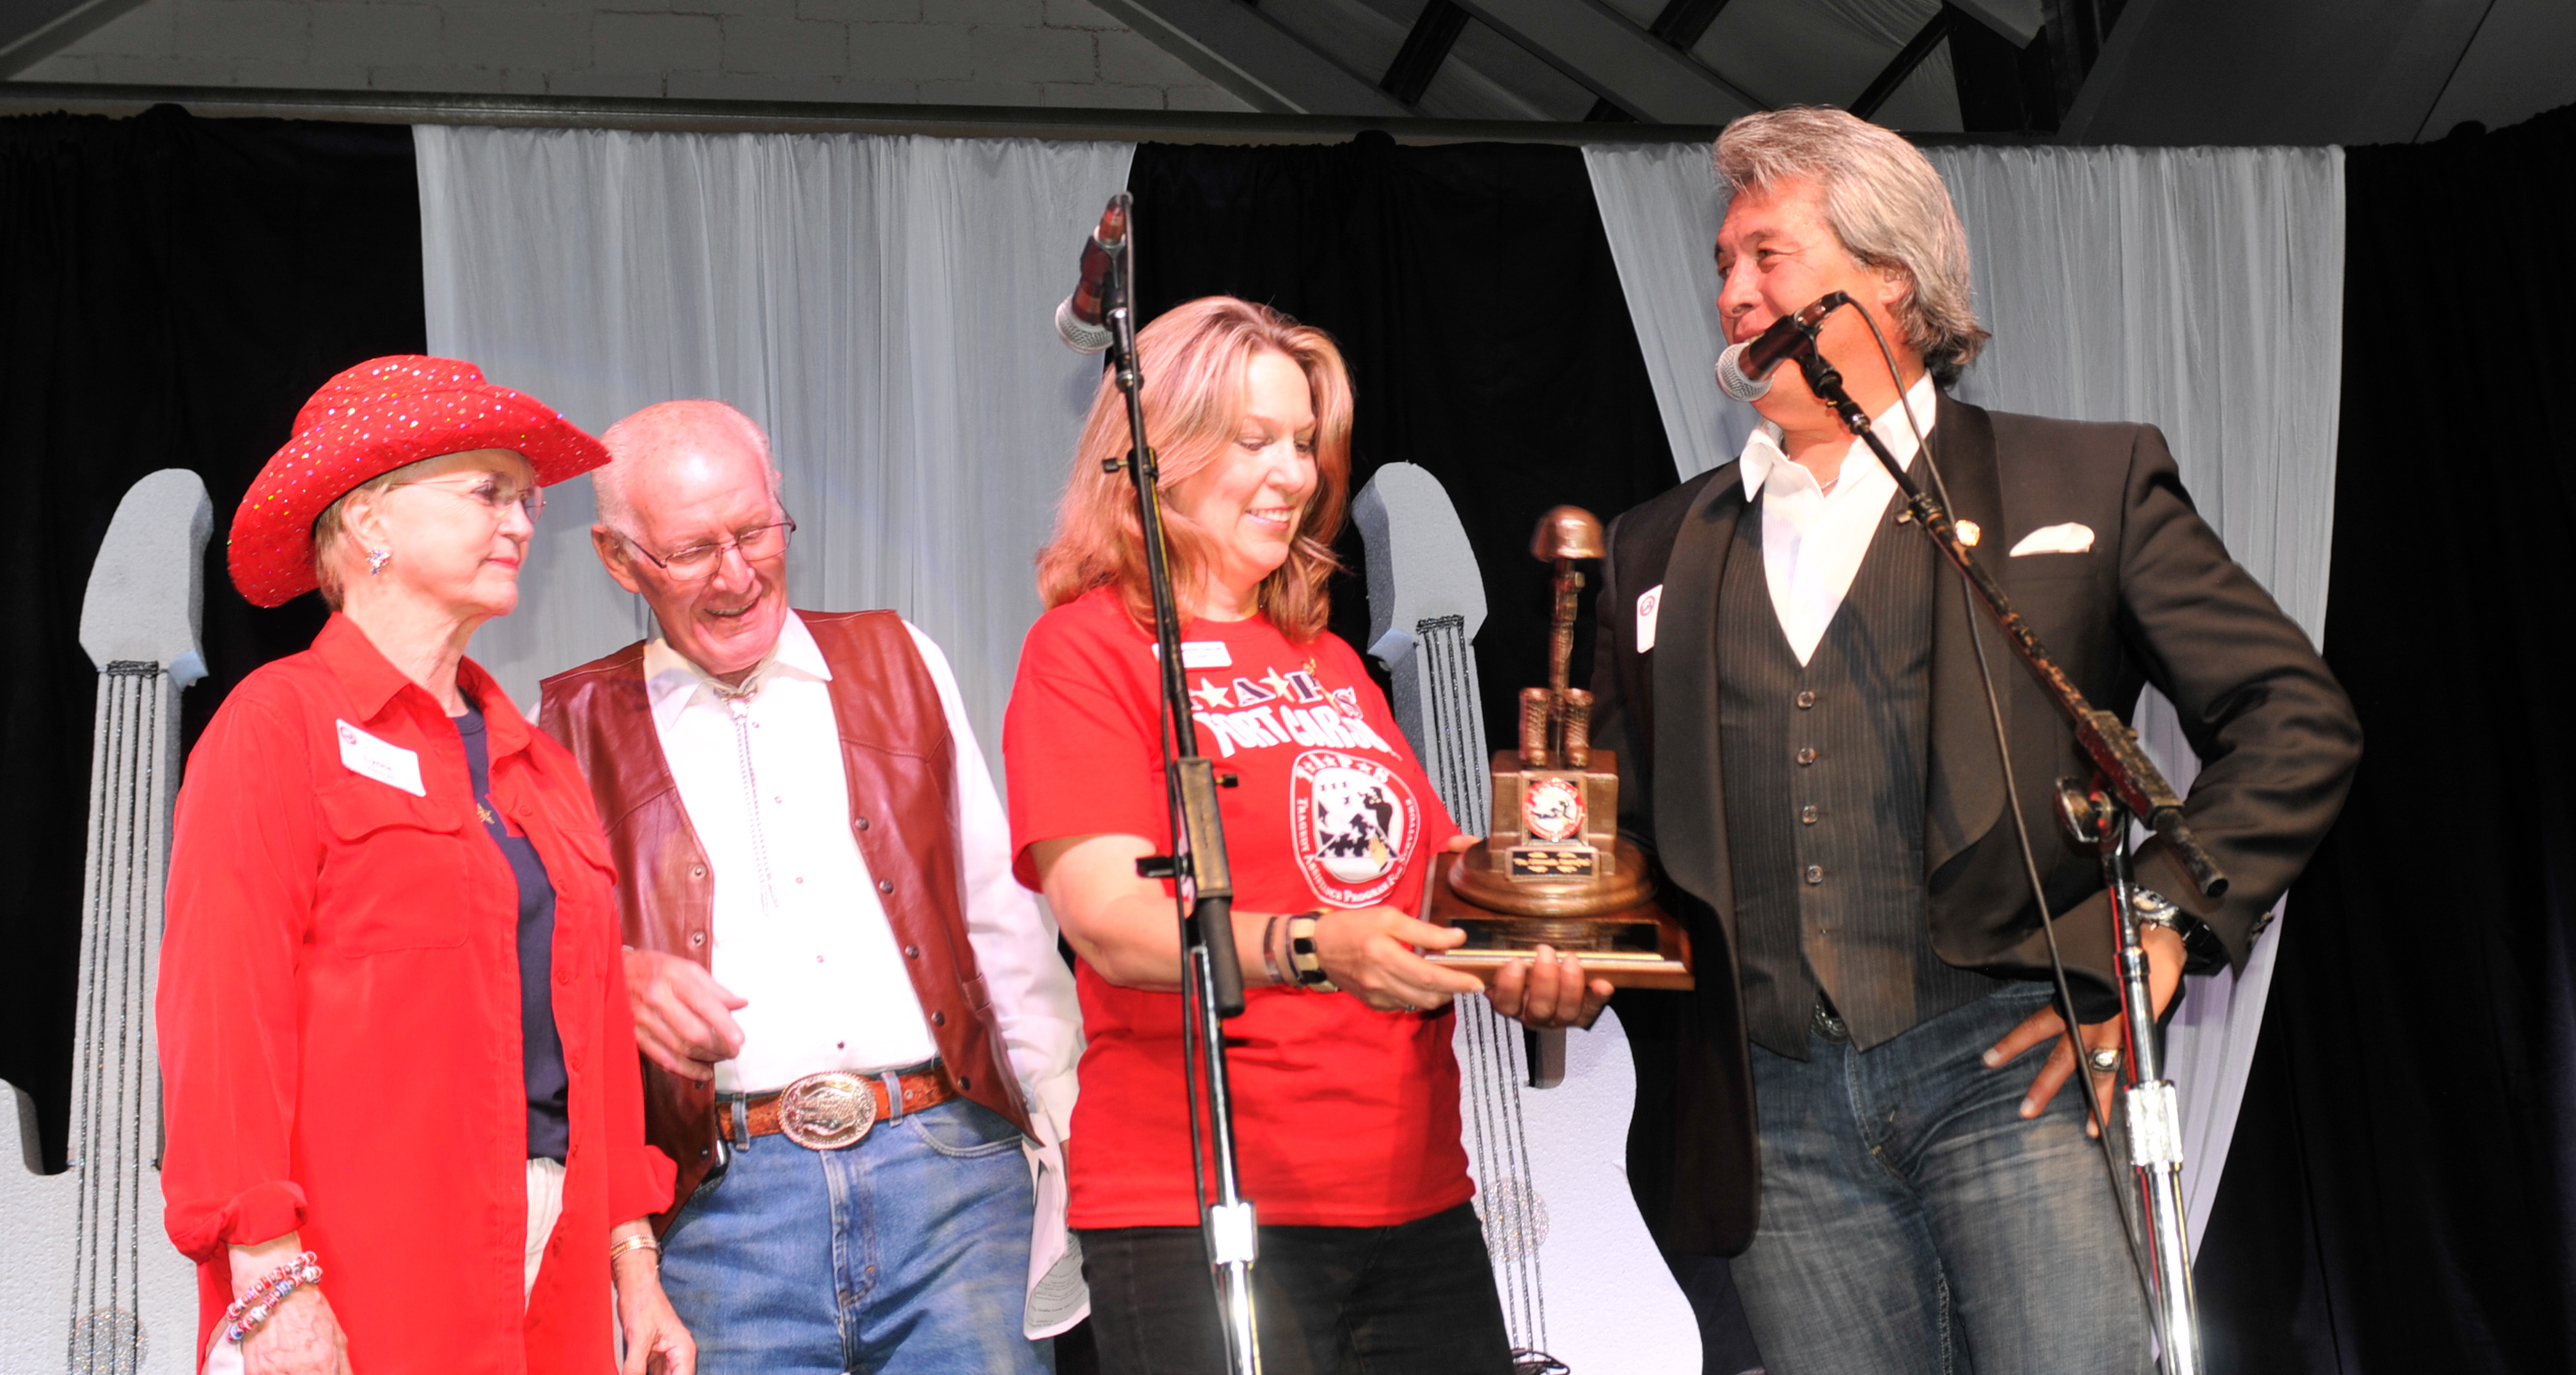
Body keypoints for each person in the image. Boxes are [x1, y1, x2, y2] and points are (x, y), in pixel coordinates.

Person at [1590, 109, 2363, 1374]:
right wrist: (1550, 936)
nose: (1732, 293)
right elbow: (1619, 829)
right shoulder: (1658, 546)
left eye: (1768, 255)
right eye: (1721, 264)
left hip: (2008, 1061)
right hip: (1772, 1106)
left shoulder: (2082, 482)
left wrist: (2160, 924)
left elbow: (2296, 718)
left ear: (1889, 275)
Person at [1004, 296, 1604, 1375]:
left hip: (1414, 1195)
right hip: (1200, 1208)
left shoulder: (1324, 661)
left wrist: (1536, 949)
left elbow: (1431, 885)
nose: (1294, 475)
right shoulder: (1083, 653)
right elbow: (1110, 922)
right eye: (1253, 442)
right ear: (1160, 453)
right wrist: (1318, 947)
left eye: (1303, 444)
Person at [156, 355, 691, 1375]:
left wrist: (635, 1263)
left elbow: (593, 1037)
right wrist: (268, 1279)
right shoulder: (278, 729)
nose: (524, 522)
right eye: (488, 493)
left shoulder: (537, 765)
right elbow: (221, 1015)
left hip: (561, 1266)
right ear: (371, 524)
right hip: (360, 1262)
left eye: (527, 499)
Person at [532, 400, 1083, 1375]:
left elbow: (1005, 931)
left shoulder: (901, 658)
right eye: (693, 550)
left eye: (754, 531)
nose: (738, 574)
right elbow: (531, 983)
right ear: (620, 561)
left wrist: (1071, 1154)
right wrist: (615, 971)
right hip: (724, 1212)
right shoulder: (565, 725)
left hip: (953, 1181)